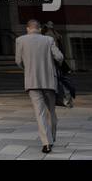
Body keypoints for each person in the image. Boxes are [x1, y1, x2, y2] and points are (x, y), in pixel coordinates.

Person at [15, 19, 63, 153]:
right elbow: (59, 57)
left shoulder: (20, 40)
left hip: (32, 81)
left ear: (27, 28)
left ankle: (46, 143)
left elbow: (18, 61)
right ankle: (52, 137)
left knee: (40, 113)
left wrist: (27, 68)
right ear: (40, 28)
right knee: (51, 111)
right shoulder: (48, 40)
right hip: (49, 81)